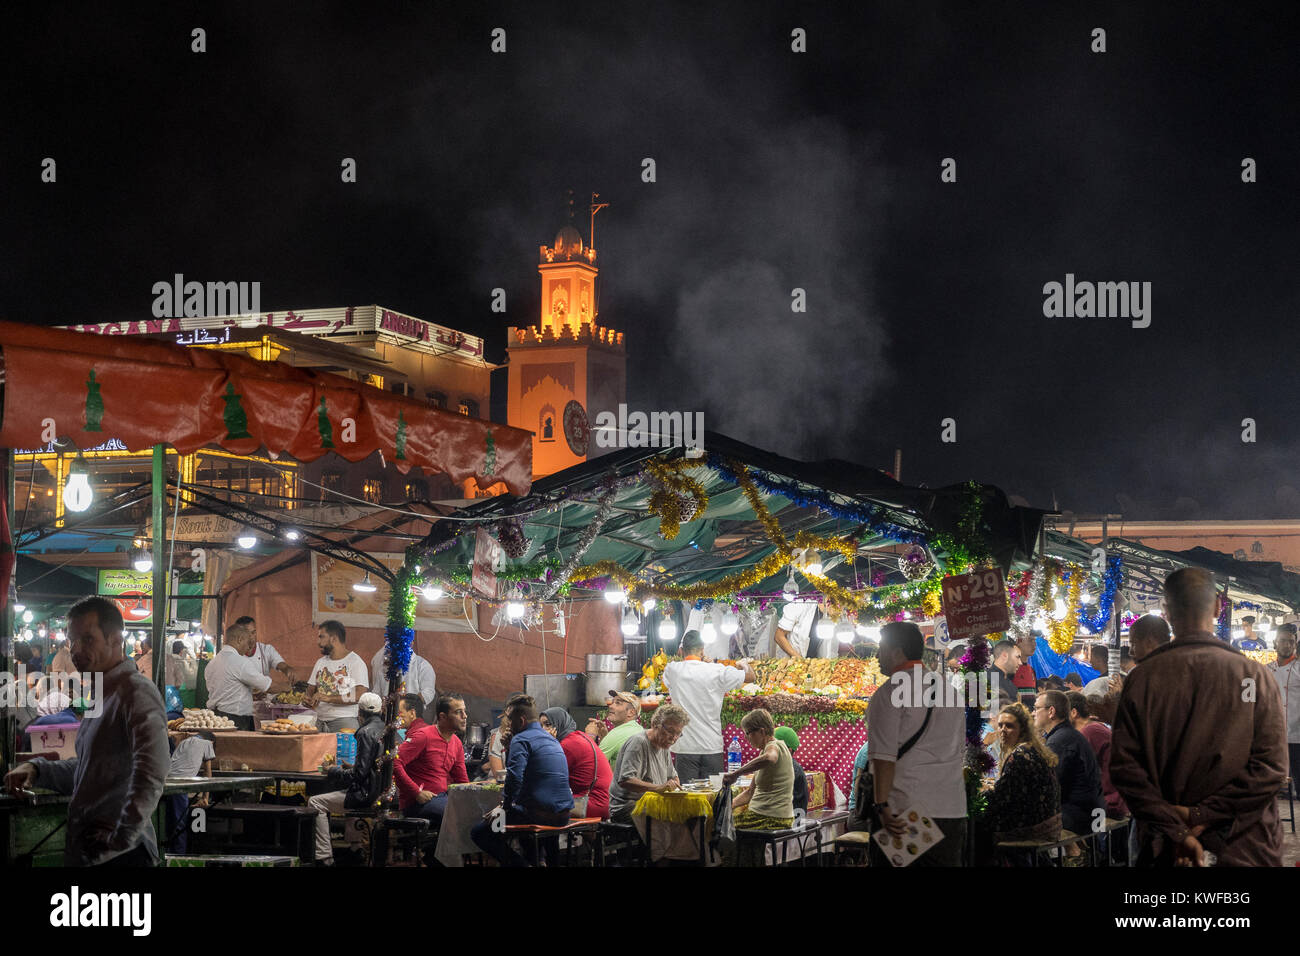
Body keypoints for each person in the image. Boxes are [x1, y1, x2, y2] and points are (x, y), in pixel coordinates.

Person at [1111, 568, 1287, 866]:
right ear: (1218, 606)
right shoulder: (1253, 676)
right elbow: (1271, 768)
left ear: (1166, 612)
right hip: (1243, 848)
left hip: (1166, 849)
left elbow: (1126, 770)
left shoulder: (1142, 679)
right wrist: (1200, 816)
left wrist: (1180, 830)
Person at [4, 597, 169, 866]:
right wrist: (37, 769)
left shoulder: (135, 691)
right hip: (92, 853)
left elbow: (153, 772)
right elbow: (88, 771)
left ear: (115, 640)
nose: (76, 650)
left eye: (88, 640)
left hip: (123, 858)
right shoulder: (100, 694)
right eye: (73, 641)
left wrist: (120, 839)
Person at [866, 621, 967, 866]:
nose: (877, 656)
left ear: (895, 650)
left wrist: (881, 806)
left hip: (907, 814)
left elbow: (883, 758)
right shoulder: (948, 690)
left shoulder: (889, 692)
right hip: (952, 811)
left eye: (880, 648)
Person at [471, 695, 574, 866]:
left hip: (538, 815)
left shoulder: (522, 738)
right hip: (563, 814)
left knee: (480, 833)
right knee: (525, 823)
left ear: (521, 720)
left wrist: (504, 807)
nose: (508, 725)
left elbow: (515, 778)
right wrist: (510, 747)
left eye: (510, 720)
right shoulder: (552, 739)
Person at [661, 630, 755, 781]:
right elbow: (751, 676)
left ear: (681, 650)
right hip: (712, 746)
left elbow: (665, 685)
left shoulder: (672, 669)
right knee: (713, 798)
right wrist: (743, 664)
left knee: (687, 797)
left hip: (685, 747)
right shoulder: (716, 670)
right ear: (702, 649)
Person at [306, 692, 386, 866]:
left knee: (315, 802)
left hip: (366, 795)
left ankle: (324, 858)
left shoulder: (365, 732)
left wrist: (333, 770)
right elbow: (369, 767)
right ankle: (355, 849)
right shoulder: (387, 728)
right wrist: (350, 768)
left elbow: (358, 776)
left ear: (360, 713)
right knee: (342, 793)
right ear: (381, 711)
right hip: (381, 791)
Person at [983, 702, 1061, 862]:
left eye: (1009, 726)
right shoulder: (1033, 749)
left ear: (1022, 730)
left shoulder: (1018, 755)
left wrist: (982, 790)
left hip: (1032, 826)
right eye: (1000, 725)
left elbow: (998, 798)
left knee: (978, 827)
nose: (1003, 730)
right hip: (1047, 820)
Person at [1034, 689, 1104, 860]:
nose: (1033, 713)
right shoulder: (1066, 735)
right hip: (1091, 810)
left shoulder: (1060, 740)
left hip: (1081, 816)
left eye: (1036, 708)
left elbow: (1049, 786)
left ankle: (1074, 855)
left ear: (1051, 712)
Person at [722, 708, 796, 865]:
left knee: (724, 828)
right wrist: (729, 805)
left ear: (761, 731)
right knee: (726, 818)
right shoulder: (764, 752)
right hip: (770, 815)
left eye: (748, 733)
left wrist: (736, 773)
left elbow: (770, 758)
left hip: (770, 817)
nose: (747, 738)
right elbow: (749, 793)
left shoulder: (774, 746)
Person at [393, 693, 469, 827]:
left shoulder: (456, 743)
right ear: (442, 717)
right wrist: (416, 792)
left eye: (464, 711)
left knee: (473, 811)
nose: (465, 716)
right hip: (417, 803)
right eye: (458, 712)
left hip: (442, 799)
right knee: (453, 812)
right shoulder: (424, 736)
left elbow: (461, 781)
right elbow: (395, 762)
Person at [609, 704, 689, 824]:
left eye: (678, 733)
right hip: (628, 807)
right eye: (671, 731)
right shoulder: (638, 743)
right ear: (655, 725)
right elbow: (626, 780)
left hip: (652, 802)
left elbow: (673, 777)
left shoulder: (664, 745)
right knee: (672, 817)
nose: (674, 738)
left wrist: (674, 787)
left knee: (691, 812)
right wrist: (658, 788)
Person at [540, 707, 613, 820]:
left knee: (537, 807)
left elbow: (546, 777)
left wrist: (549, 745)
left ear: (560, 723)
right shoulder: (578, 736)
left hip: (592, 803)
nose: (543, 730)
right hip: (602, 801)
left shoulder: (568, 745)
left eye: (548, 724)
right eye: (541, 726)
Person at [1068, 690, 1127, 819]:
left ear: (1073, 713)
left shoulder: (1090, 731)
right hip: (1112, 801)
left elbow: (1076, 771)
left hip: (1110, 804)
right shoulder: (1093, 728)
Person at [305, 620, 369, 732]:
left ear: (333, 638)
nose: (318, 642)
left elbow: (360, 695)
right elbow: (310, 689)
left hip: (344, 721)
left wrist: (329, 698)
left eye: (321, 637)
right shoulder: (320, 662)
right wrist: (308, 699)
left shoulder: (355, 662)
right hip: (319, 721)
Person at [204, 623, 270, 730]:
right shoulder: (240, 662)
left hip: (215, 717)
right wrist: (288, 687)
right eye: (248, 643)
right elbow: (267, 685)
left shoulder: (212, 663)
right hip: (236, 719)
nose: (249, 648)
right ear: (239, 639)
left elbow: (226, 688)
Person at [165, 729, 215, 854]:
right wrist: (205, 797)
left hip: (166, 781)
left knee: (170, 824)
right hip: (180, 785)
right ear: (211, 741)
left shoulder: (184, 741)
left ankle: (167, 855)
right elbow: (207, 772)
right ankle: (178, 857)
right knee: (179, 825)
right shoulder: (207, 743)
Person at [1270, 624, 1300, 777]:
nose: (1287, 645)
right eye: (1282, 640)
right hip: (1273, 736)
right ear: (1275, 643)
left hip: (1297, 736)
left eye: (1291, 641)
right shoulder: (1266, 670)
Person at [235, 616, 296, 685]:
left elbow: (281, 664)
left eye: (253, 632)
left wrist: (288, 670)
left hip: (266, 693)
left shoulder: (266, 649)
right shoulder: (234, 655)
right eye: (247, 634)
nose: (251, 637)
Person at [370, 644, 436, 706]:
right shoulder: (383, 667)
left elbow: (427, 694)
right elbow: (376, 693)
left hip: (412, 715)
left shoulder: (422, 665)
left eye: (400, 643)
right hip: (386, 714)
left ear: (411, 644)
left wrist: (404, 703)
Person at [599, 690, 645, 766]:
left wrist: (590, 736)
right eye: (612, 702)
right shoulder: (640, 729)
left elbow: (593, 765)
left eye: (618, 703)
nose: (610, 706)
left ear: (631, 712)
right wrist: (604, 738)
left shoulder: (616, 734)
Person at [773, 725, 808, 812]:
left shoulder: (790, 769)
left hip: (791, 822)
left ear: (788, 750)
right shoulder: (778, 764)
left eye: (773, 745)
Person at [989, 639, 1020, 708]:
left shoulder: (1011, 684)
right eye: (1017, 657)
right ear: (1005, 656)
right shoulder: (984, 679)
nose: (1020, 662)